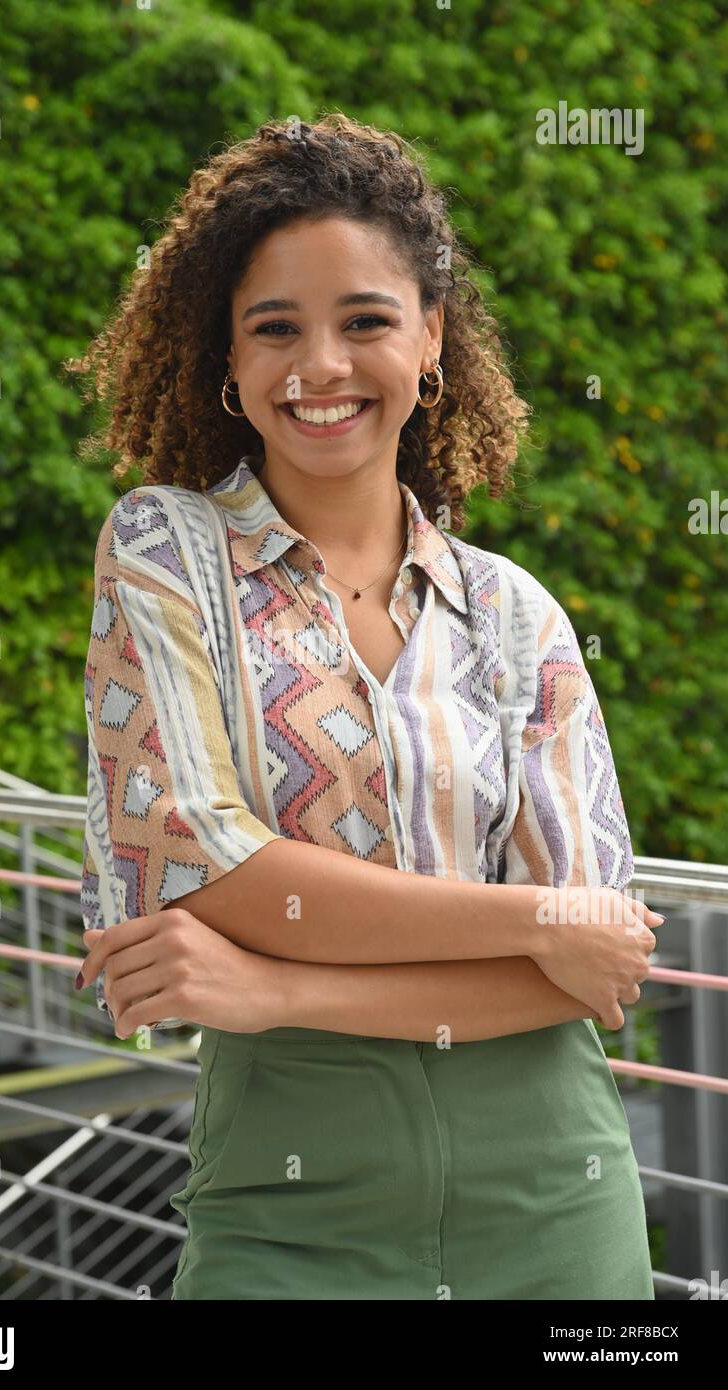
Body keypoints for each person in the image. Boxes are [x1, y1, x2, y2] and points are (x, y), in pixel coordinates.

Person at [69, 114, 661, 1301]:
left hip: (555, 1198)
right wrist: (530, 917)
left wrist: (278, 987)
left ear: (431, 338)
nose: (318, 367)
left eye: (366, 322)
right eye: (273, 328)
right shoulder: (164, 554)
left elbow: (593, 969)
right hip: (290, 1214)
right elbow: (214, 869)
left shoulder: (514, 614)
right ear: (227, 362)